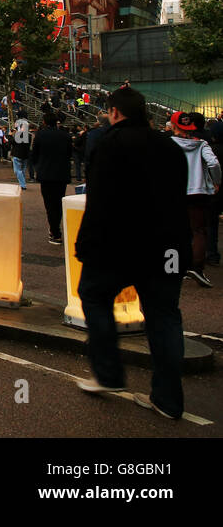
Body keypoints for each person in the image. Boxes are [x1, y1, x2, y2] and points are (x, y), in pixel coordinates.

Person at [76, 87, 191, 420]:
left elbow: (99, 203)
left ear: (114, 113)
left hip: (118, 246)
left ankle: (109, 374)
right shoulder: (170, 147)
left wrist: (87, 244)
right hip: (167, 247)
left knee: (94, 297)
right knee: (165, 317)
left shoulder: (108, 145)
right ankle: (169, 400)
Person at [168, 112, 221, 287]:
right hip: (198, 192)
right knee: (198, 230)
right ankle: (196, 268)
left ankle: (172, 268)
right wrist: (216, 182)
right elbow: (213, 163)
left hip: (174, 192)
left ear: (173, 126)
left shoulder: (168, 144)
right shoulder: (201, 144)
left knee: (173, 231)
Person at [31, 112, 72, 245]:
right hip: (61, 174)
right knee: (58, 202)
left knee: (49, 204)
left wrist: (37, 166)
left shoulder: (40, 135)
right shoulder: (65, 135)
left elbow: (34, 154)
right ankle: (55, 229)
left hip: (46, 174)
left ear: (44, 122)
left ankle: (55, 232)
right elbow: (69, 154)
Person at [10, 118, 32, 189]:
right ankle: (23, 183)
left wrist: (10, 135)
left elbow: (12, 143)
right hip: (25, 155)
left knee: (17, 170)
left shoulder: (18, 134)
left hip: (17, 154)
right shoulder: (29, 135)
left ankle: (23, 185)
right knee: (22, 170)